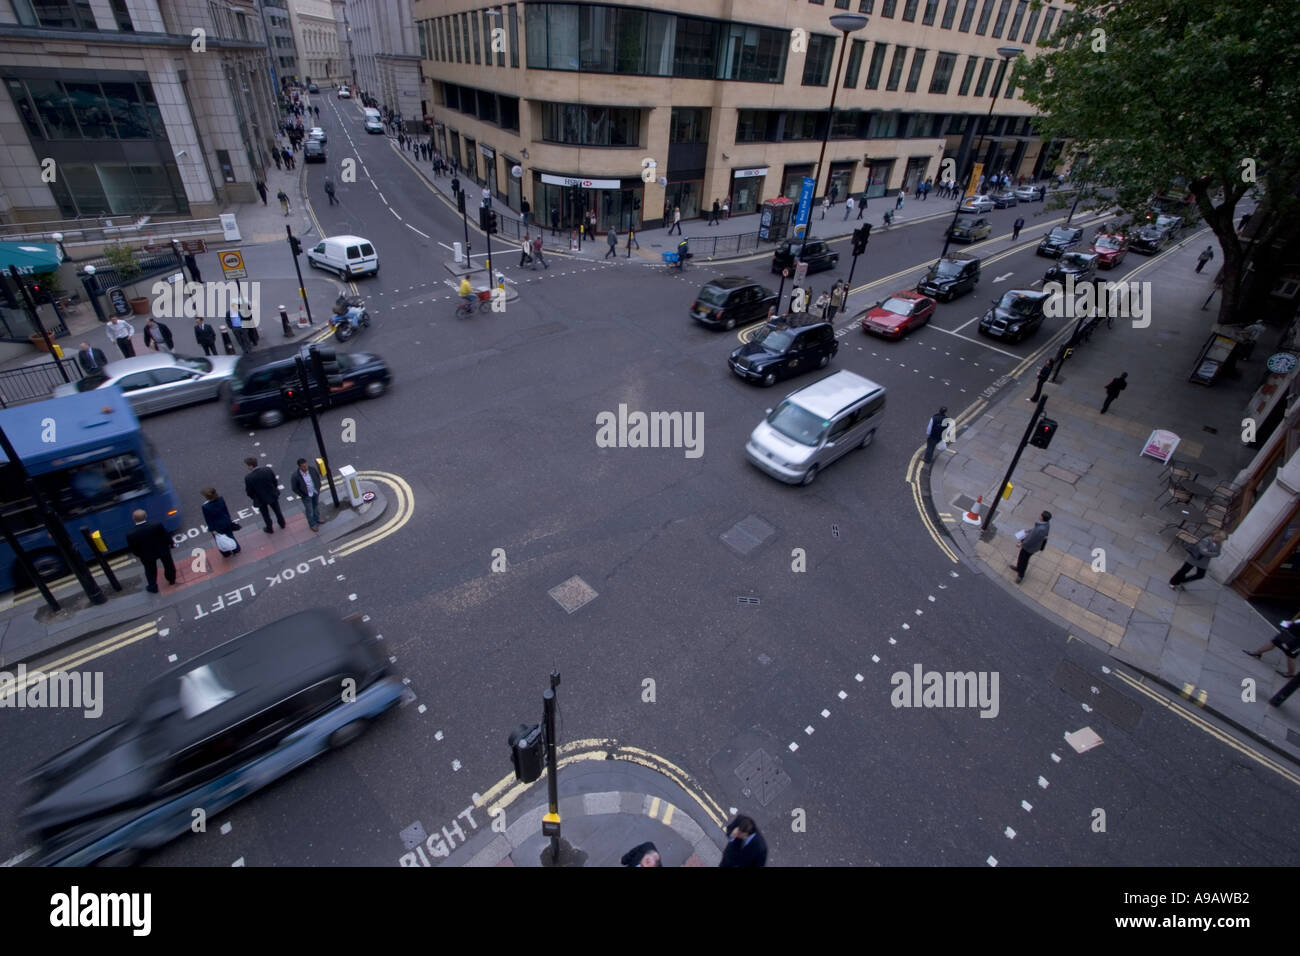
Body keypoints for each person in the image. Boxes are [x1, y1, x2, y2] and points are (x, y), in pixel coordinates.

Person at [126, 508, 175, 593]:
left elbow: (133, 548)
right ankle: (171, 580)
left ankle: (153, 587)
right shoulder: (157, 525)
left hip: (146, 555)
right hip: (162, 549)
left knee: (150, 570)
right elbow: (166, 536)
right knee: (168, 564)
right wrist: (171, 544)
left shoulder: (130, 534)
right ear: (146, 516)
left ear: (134, 519)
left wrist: (140, 555)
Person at [1244, 611, 1300, 677]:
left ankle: (1291, 673)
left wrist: (1291, 644)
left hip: (1294, 640)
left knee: (1290, 655)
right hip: (1288, 634)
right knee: (1274, 642)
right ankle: (1257, 653)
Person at [244, 457, 286, 533]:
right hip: (271, 494)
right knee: (277, 511)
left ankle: (269, 528)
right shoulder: (267, 470)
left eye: (247, 465)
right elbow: (274, 481)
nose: (247, 467)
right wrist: (273, 489)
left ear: (250, 466)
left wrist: (254, 497)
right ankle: (282, 524)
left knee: (265, 515)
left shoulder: (248, 478)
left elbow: (249, 491)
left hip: (260, 499)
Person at [1011, 511, 1052, 584]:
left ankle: (1020, 575)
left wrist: (1021, 544)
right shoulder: (1046, 524)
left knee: (1024, 560)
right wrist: (1028, 531)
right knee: (1021, 558)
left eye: (1041, 515)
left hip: (1029, 548)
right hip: (1032, 546)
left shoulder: (1040, 529)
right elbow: (1034, 530)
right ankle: (1018, 568)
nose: (1039, 516)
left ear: (1042, 517)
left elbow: (1031, 540)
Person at [201, 487, 241, 556]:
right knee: (230, 536)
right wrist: (229, 520)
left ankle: (226, 553)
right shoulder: (221, 499)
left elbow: (208, 519)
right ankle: (236, 549)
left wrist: (212, 529)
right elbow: (226, 511)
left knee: (220, 540)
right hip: (226, 522)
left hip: (216, 527)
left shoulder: (205, 507)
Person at [291, 458, 321, 532]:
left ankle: (317, 519)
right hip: (306, 496)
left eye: (306, 465)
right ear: (299, 467)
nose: (306, 467)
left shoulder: (312, 469)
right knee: (309, 510)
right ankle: (312, 524)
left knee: (315, 506)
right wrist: (302, 495)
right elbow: (294, 488)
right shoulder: (295, 476)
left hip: (314, 492)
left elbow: (317, 477)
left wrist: (318, 487)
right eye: (303, 466)